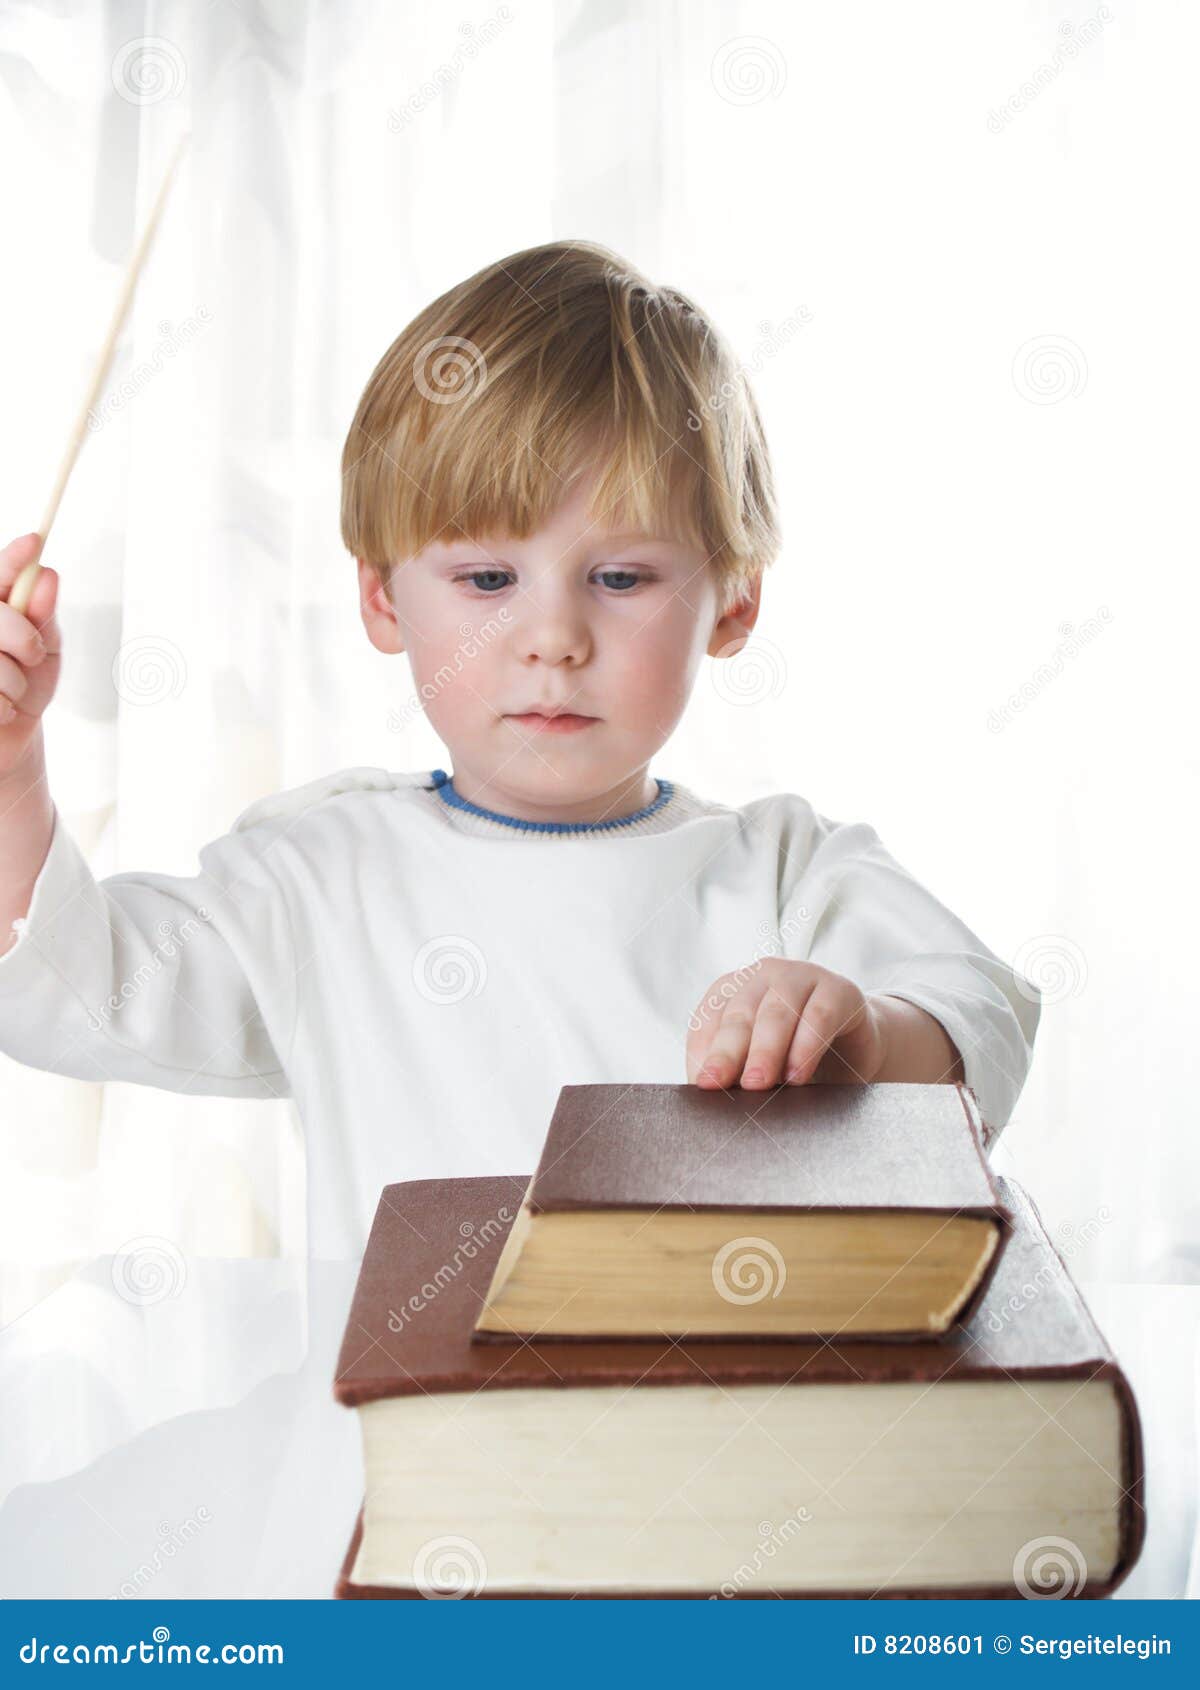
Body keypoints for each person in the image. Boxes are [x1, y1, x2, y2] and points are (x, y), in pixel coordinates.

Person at [0, 240, 1039, 1262]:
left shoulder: (783, 872)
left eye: (623, 578)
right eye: (489, 580)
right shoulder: (320, 874)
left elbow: (979, 1013)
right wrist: (12, 771)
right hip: (398, 1430)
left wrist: (861, 1035)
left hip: (708, 1418)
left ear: (734, 599)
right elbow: (78, 989)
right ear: (380, 595)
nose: (554, 637)